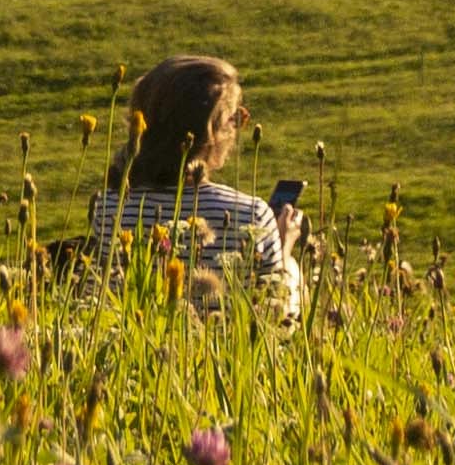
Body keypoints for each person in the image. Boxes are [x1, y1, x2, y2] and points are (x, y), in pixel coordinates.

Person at [88, 53, 304, 318]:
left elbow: (97, 304)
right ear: (211, 133)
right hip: (227, 358)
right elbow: (280, 318)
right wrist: (284, 252)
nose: (237, 128)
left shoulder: (109, 208)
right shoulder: (252, 214)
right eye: (233, 118)